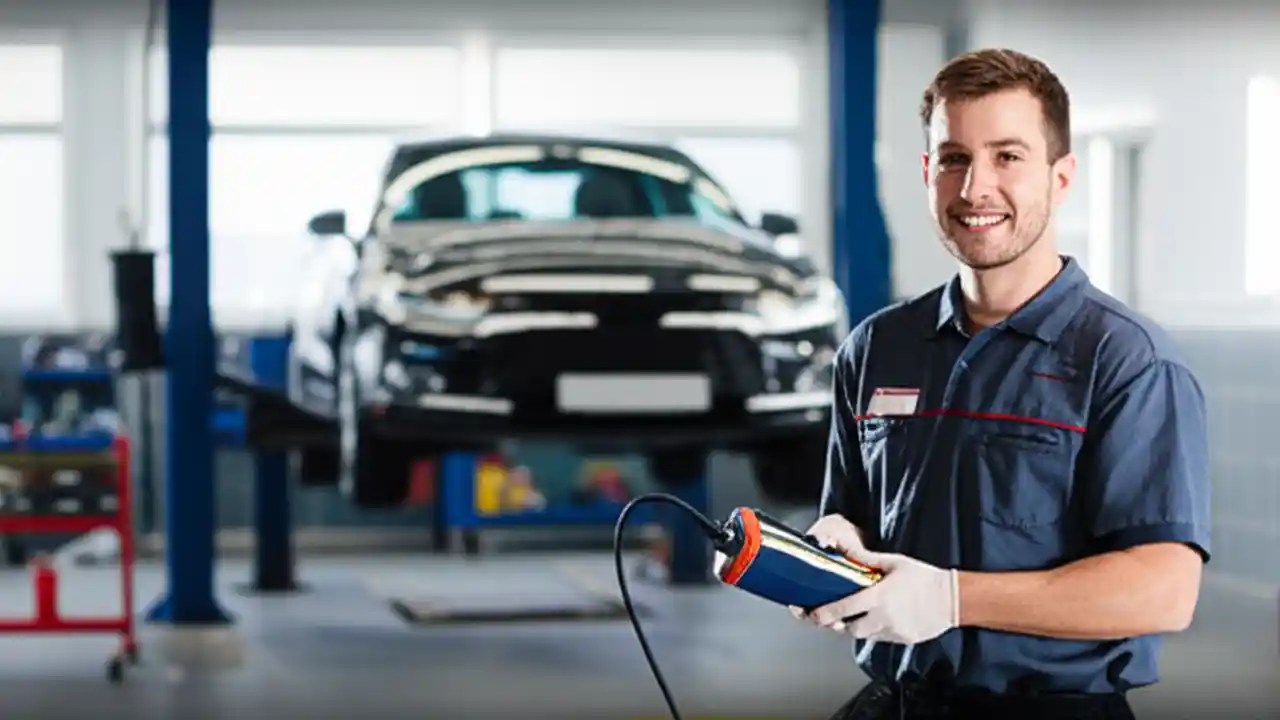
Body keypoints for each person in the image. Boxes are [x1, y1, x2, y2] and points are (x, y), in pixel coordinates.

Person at [794, 48, 1211, 719]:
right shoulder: (877, 348)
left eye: (1007, 157)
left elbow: (1163, 590)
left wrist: (951, 598)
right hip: (900, 702)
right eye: (954, 158)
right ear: (929, 173)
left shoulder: (1124, 359)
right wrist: (833, 547)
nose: (974, 187)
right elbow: (851, 515)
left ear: (1061, 177)